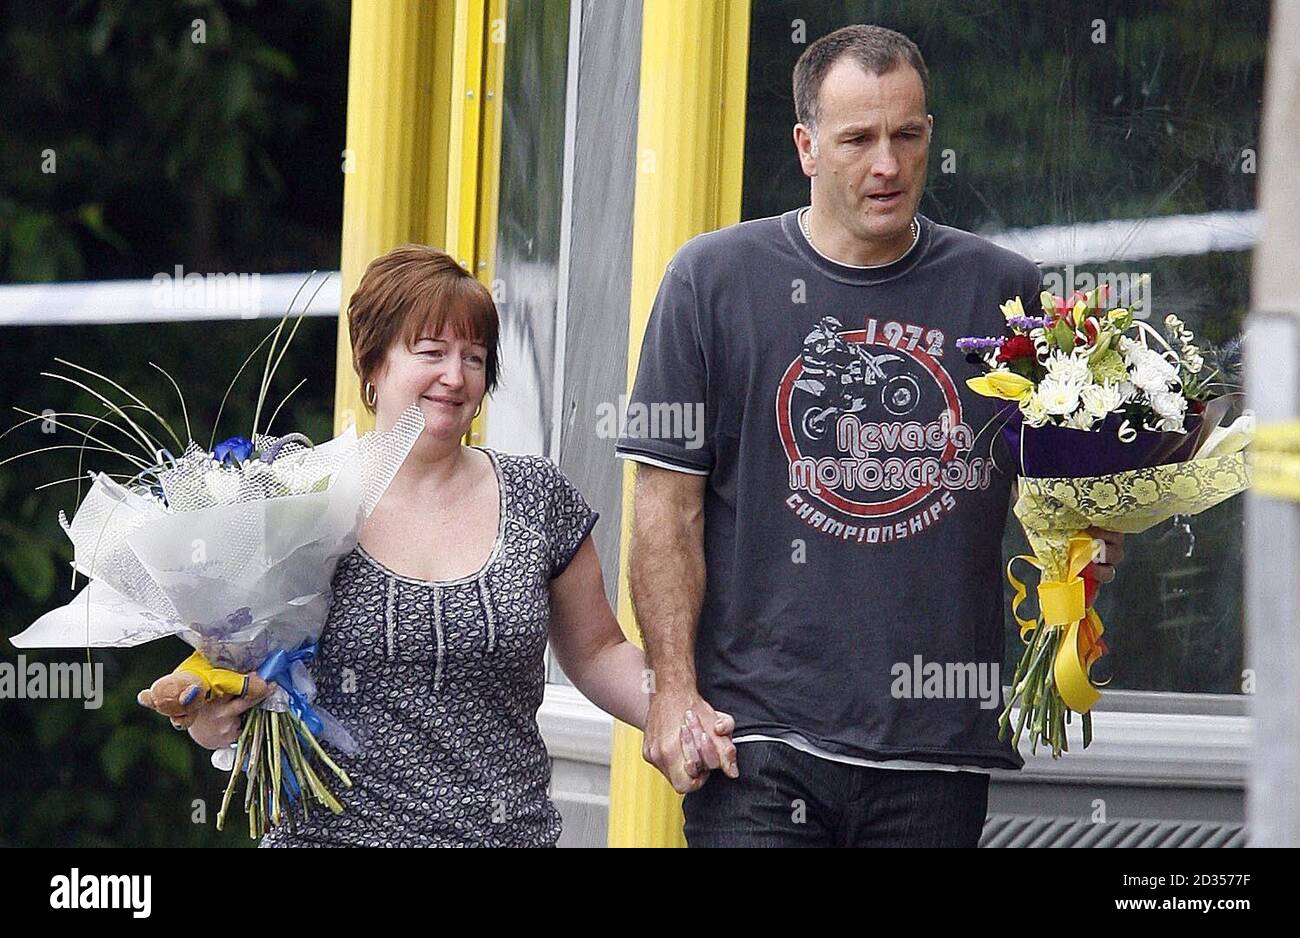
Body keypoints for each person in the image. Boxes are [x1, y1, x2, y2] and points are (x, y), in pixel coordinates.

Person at [617, 24, 1124, 847]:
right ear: (806, 145)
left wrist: (1096, 536)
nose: (887, 165)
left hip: (937, 751)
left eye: (908, 135)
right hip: (758, 743)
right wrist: (671, 689)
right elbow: (663, 508)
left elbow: (1060, 497)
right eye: (858, 139)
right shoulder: (712, 280)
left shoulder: (1002, 290)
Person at [140, 244, 735, 846]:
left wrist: (682, 711)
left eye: (473, 358)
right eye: (431, 353)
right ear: (372, 364)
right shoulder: (299, 498)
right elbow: (235, 677)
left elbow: (599, 650)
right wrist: (213, 718)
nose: (455, 377)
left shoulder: (537, 496)